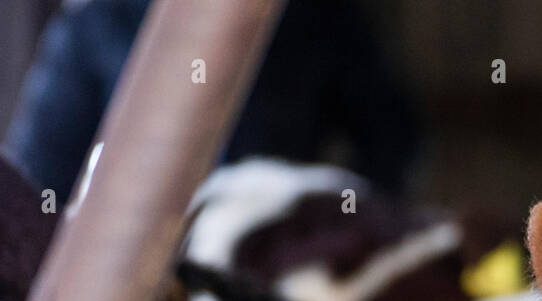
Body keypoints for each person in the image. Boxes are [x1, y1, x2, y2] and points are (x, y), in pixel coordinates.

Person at [3, 0, 419, 202]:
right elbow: (42, 174)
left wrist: (332, 222)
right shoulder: (100, 21)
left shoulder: (310, 16)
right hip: (149, 287)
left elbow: (391, 131)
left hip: (269, 264)